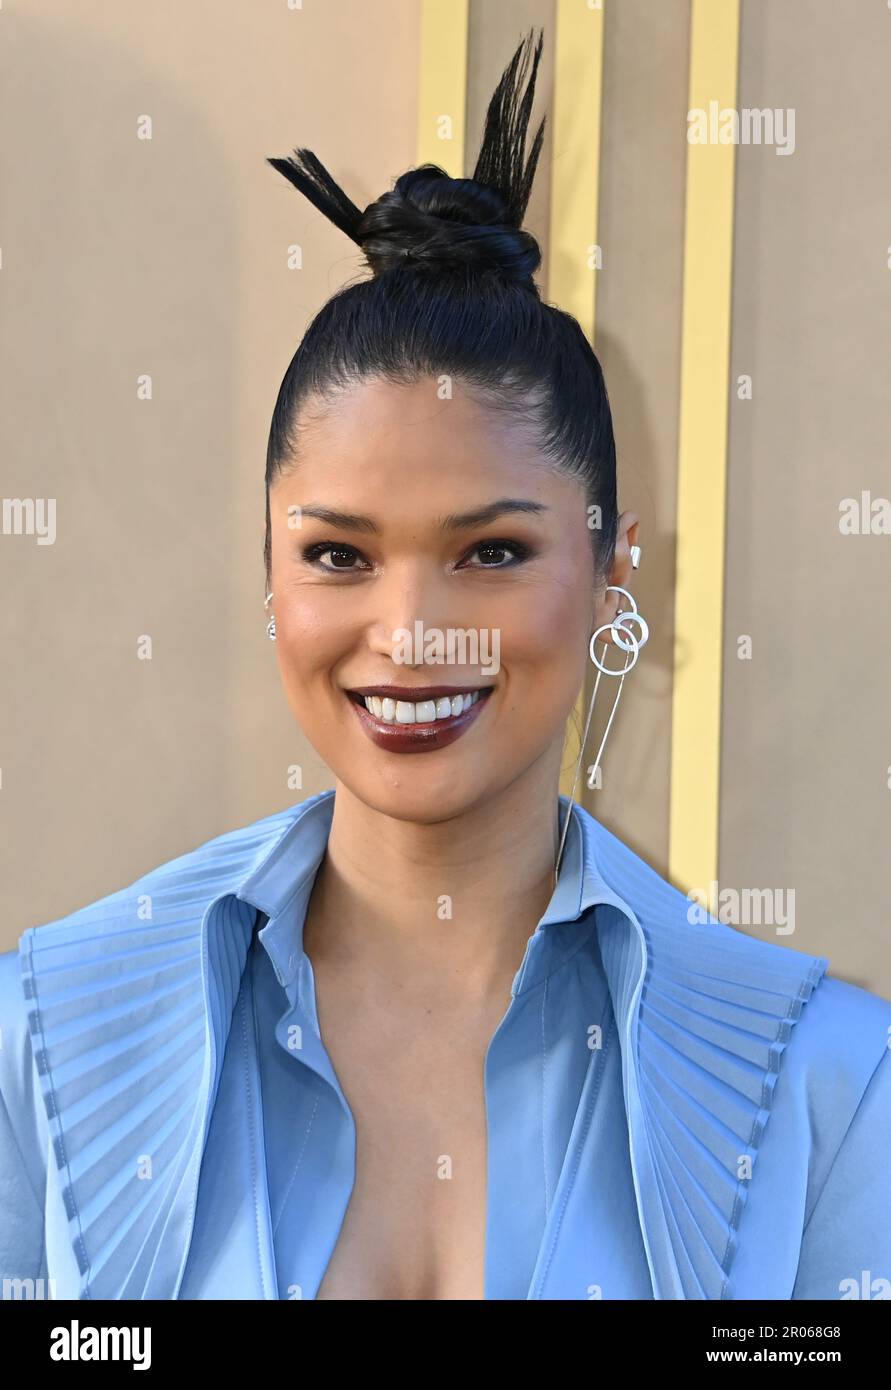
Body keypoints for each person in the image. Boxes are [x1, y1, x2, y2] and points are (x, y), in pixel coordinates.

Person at [1, 28, 889, 1303]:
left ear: (612, 567)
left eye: (489, 552)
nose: (412, 632)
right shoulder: (45, 1041)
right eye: (340, 555)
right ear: (269, 569)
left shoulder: (829, 1086)